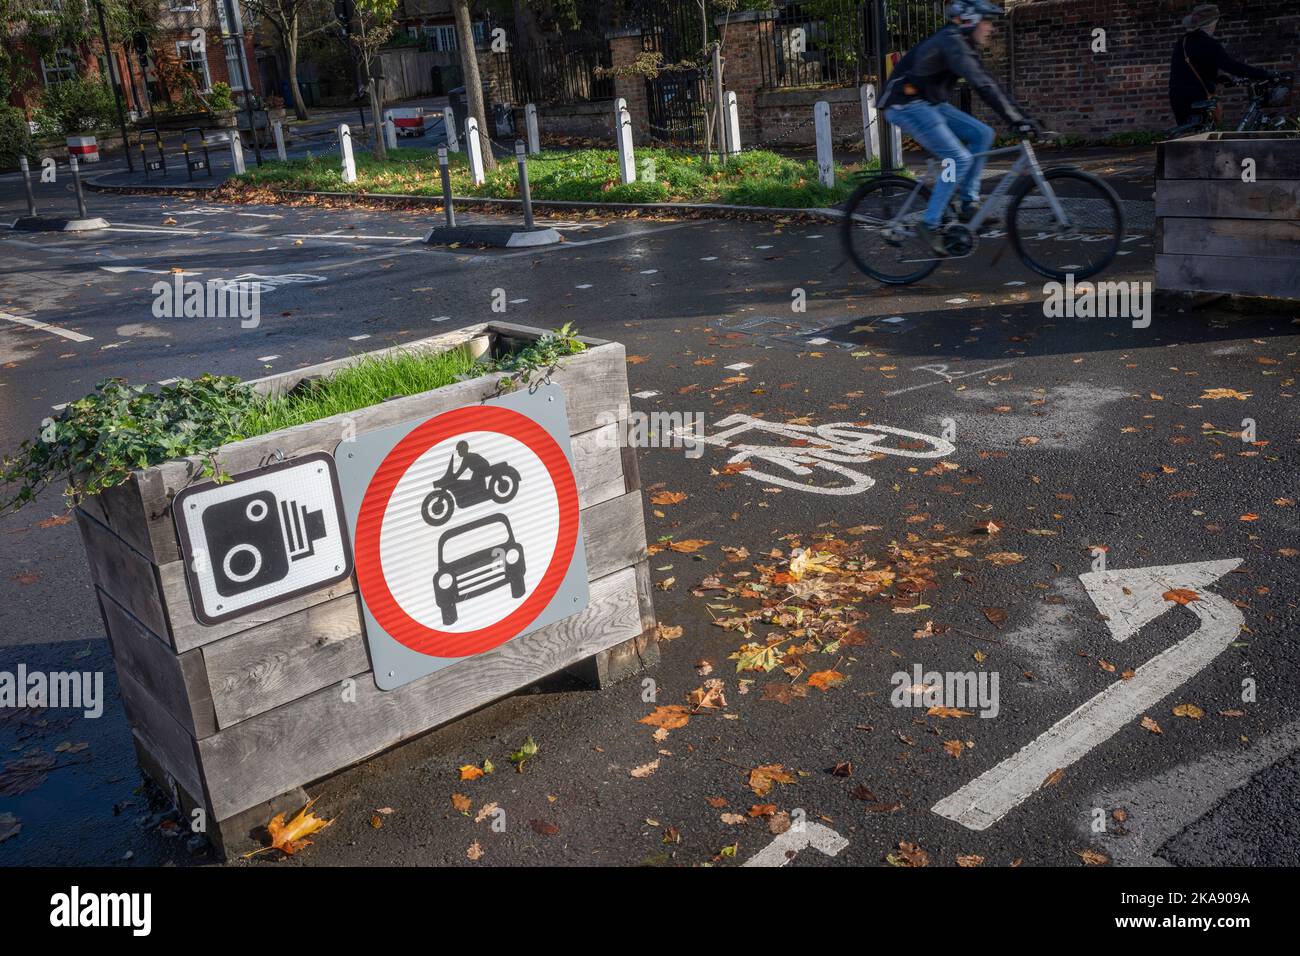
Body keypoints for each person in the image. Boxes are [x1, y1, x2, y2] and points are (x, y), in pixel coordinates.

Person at [878, 0, 1037, 256]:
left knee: (983, 134)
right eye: (986, 21)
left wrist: (1021, 116)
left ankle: (967, 203)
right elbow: (982, 85)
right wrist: (1017, 120)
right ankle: (929, 224)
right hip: (905, 103)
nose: (991, 28)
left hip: (928, 102)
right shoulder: (951, 42)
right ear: (971, 20)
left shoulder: (960, 43)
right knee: (958, 158)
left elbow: (988, 82)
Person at [1169, 4, 1275, 126]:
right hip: (1199, 97)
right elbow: (1230, 66)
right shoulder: (1209, 43)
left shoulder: (1182, 42)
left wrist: (1217, 79)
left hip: (1177, 98)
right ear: (1212, 24)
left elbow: (1186, 70)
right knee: (1203, 135)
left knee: (1185, 134)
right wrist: (1264, 74)